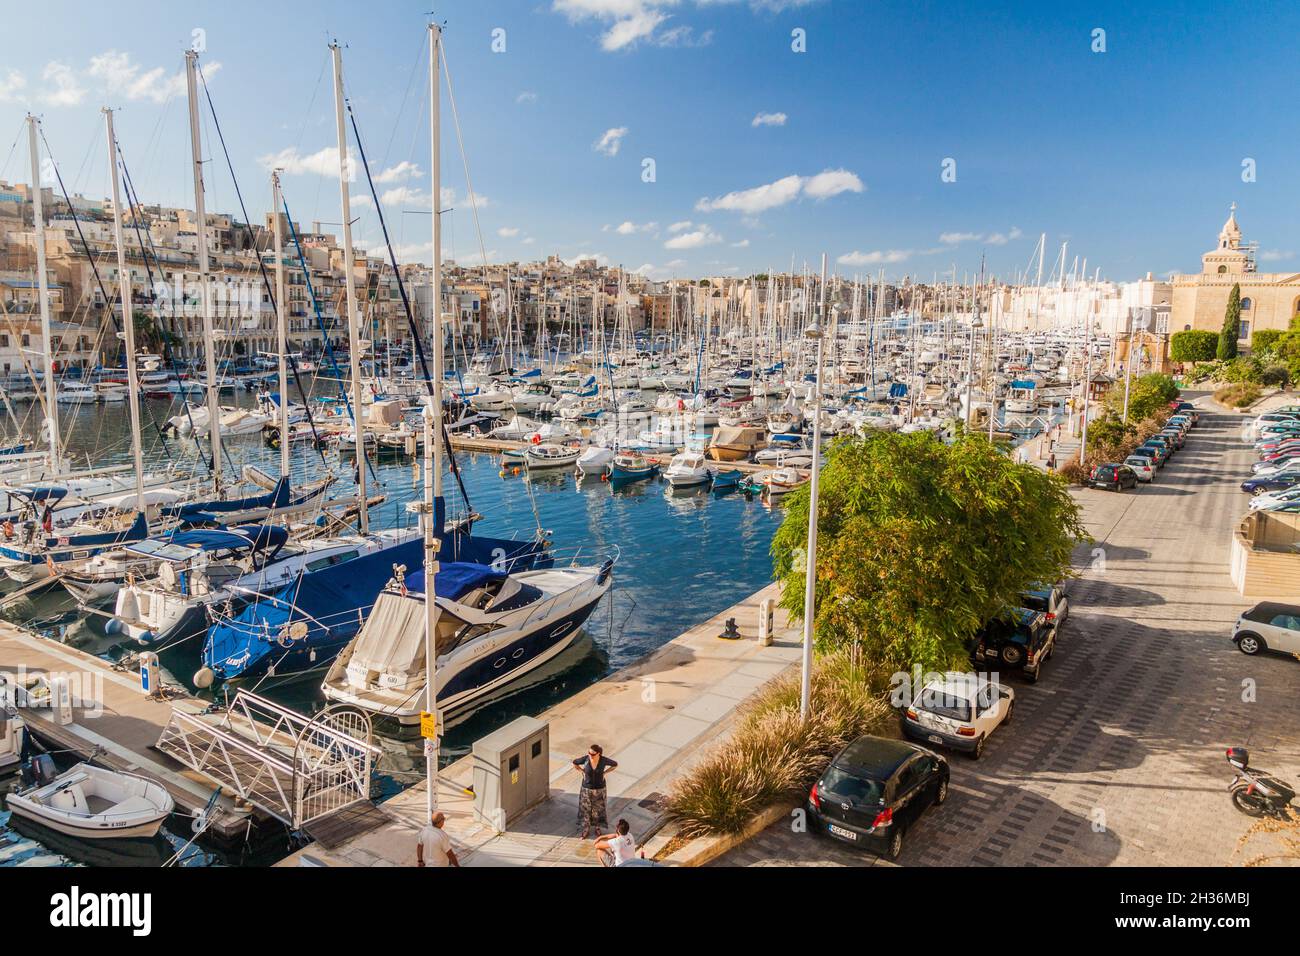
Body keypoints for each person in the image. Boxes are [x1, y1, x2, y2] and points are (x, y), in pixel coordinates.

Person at [572, 744, 617, 839]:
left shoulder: (603, 760)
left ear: (598, 754)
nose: (590, 755)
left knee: (598, 809)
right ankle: (586, 829)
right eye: (589, 753)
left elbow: (615, 764)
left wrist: (605, 773)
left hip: (600, 789)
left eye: (592, 754)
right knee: (585, 809)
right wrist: (582, 772)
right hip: (586, 789)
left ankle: (597, 827)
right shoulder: (586, 759)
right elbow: (575, 763)